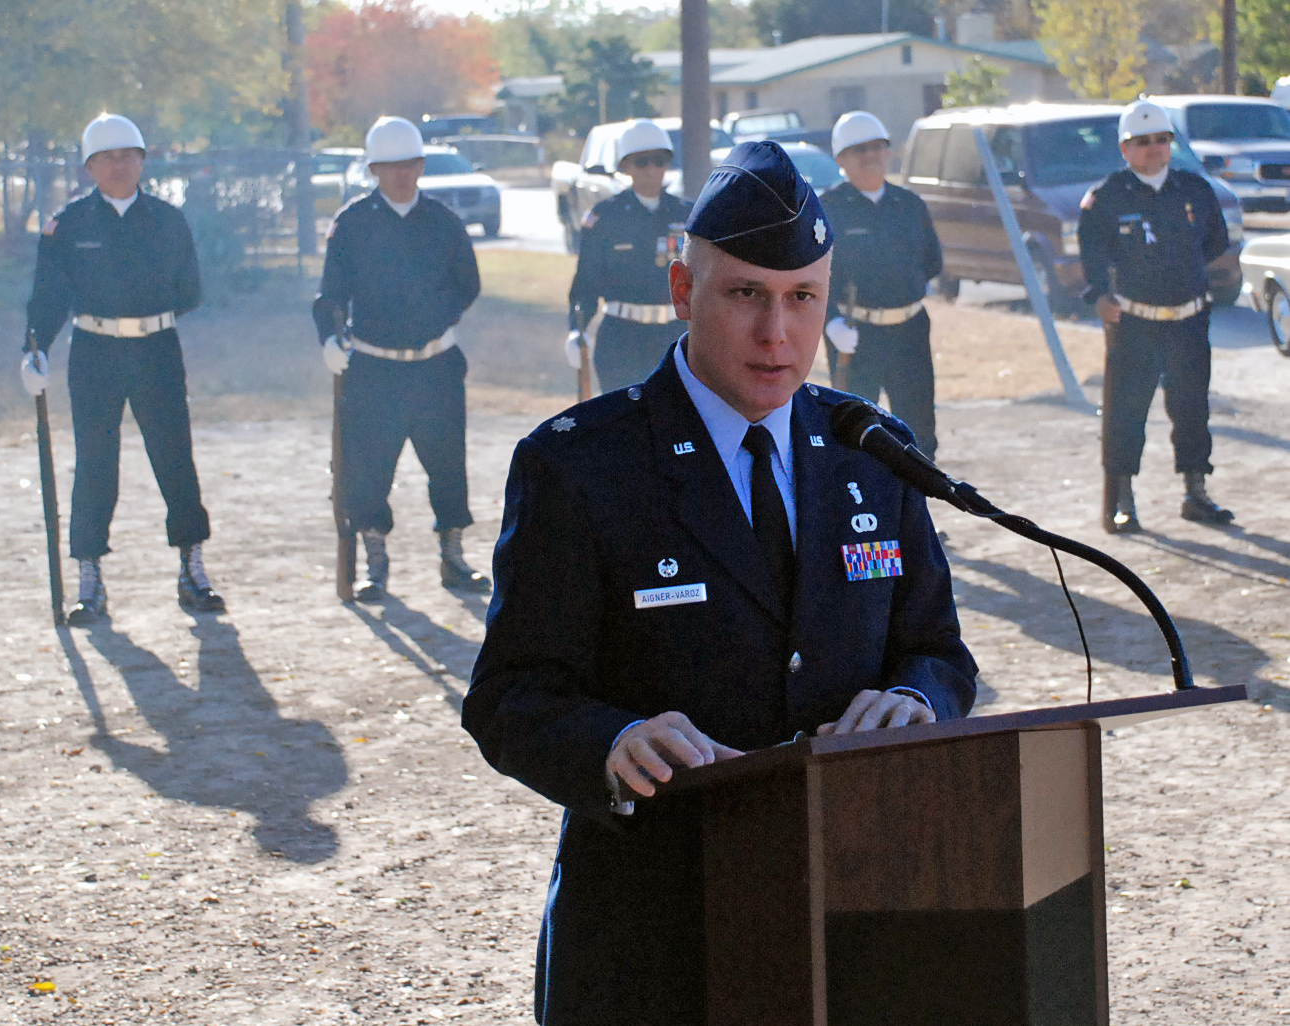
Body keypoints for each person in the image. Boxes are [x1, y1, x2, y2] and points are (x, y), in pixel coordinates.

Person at [462, 140, 978, 1025]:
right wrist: (612, 740)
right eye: (746, 295)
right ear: (681, 292)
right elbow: (510, 695)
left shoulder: (871, 454)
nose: (778, 335)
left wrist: (914, 700)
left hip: (846, 906)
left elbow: (935, 650)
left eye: (802, 299)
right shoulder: (582, 466)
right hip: (652, 930)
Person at [24, 112, 224, 624]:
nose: (119, 165)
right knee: (95, 463)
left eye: (128, 155)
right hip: (95, 351)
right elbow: (48, 295)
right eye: (107, 157)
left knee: (174, 456)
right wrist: (36, 347)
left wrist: (148, 314)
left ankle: (192, 568)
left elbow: (191, 290)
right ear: (89, 166)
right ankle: (90, 579)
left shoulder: (167, 218)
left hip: (157, 349)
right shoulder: (67, 225)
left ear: (143, 161)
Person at [312, 115, 487, 602]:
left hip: (435, 366)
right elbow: (331, 294)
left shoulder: (444, 221)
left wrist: (437, 318)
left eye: (409, 164)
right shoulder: (351, 223)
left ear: (421, 165)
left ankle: (452, 555)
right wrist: (329, 337)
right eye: (390, 166)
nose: (401, 175)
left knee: (448, 464)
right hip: (375, 367)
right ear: (373, 169)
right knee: (369, 468)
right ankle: (375, 561)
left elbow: (467, 284)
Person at [1079, 98, 1234, 534]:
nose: (1153, 149)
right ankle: (1123, 499)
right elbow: (1091, 255)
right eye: (1142, 142)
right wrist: (1099, 297)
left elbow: (1214, 243)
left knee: (1191, 409)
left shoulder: (1196, 190)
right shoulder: (1106, 198)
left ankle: (1196, 491)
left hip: (1189, 320)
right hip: (1135, 324)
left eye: (1161, 140)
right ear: (1124, 148)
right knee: (1126, 413)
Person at [820, 110, 943, 458]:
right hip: (856, 335)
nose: (872, 156)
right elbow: (813, 274)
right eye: (860, 150)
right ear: (841, 158)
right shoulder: (828, 208)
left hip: (910, 332)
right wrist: (831, 321)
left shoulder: (909, 204)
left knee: (919, 434)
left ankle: (914, 509)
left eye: (878, 147)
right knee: (855, 436)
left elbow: (932, 262)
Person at [565, 118, 691, 391]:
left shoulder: (689, 215)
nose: (651, 169)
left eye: (659, 160)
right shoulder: (604, 217)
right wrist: (578, 329)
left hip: (675, 337)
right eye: (641, 161)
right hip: (622, 338)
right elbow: (586, 281)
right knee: (625, 426)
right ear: (625, 166)